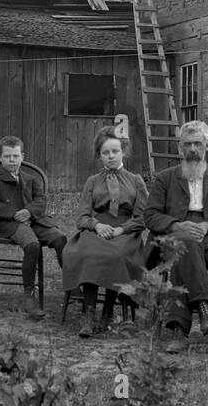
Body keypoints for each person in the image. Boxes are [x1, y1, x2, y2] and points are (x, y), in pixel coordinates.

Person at [144, 120, 208, 354]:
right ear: (180, 147)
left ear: (207, 145)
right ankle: (203, 308)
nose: (192, 149)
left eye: (197, 144)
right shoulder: (165, 177)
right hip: (171, 238)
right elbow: (151, 216)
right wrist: (177, 225)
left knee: (184, 249)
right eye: (187, 144)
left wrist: (207, 225)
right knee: (183, 244)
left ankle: (179, 331)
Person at [63, 128, 149, 338]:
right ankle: (89, 314)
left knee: (116, 255)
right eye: (105, 153)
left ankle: (108, 310)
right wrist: (97, 226)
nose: (110, 156)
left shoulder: (135, 180)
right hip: (97, 230)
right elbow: (81, 217)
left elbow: (143, 218)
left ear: (123, 152)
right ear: (99, 155)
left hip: (125, 233)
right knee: (88, 253)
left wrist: (122, 229)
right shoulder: (92, 181)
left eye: (115, 151)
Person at [0, 136, 65, 321]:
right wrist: (15, 213)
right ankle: (29, 296)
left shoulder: (31, 179)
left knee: (60, 238)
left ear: (22, 156)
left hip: (35, 220)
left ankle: (71, 284)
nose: (12, 160)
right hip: (7, 224)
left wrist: (29, 211)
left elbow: (41, 200)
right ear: (0, 157)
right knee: (32, 245)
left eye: (16, 156)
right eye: (7, 156)